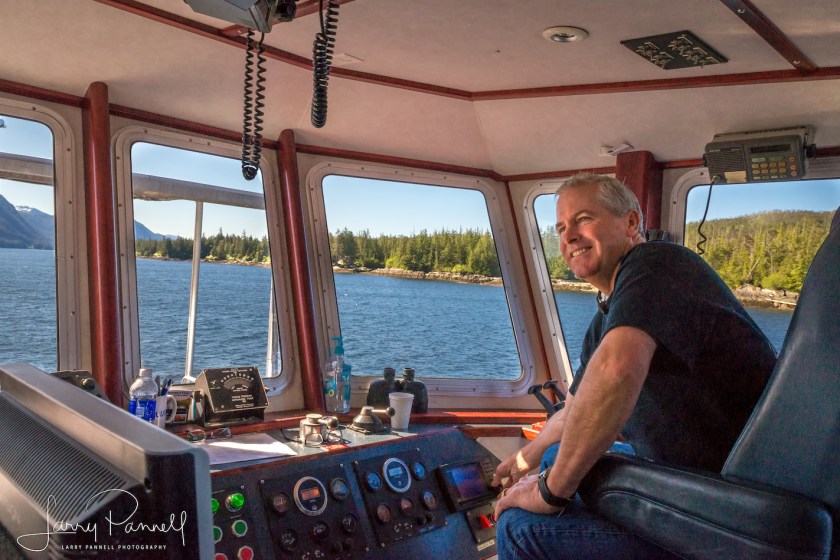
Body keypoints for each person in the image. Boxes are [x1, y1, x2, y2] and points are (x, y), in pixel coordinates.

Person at [492, 173, 777, 559]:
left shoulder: (659, 264)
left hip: (731, 510)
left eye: (583, 219)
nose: (568, 236)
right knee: (550, 457)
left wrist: (548, 492)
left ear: (630, 223)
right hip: (693, 484)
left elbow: (616, 370)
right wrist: (529, 455)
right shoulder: (609, 319)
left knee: (522, 528)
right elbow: (577, 407)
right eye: (561, 227)